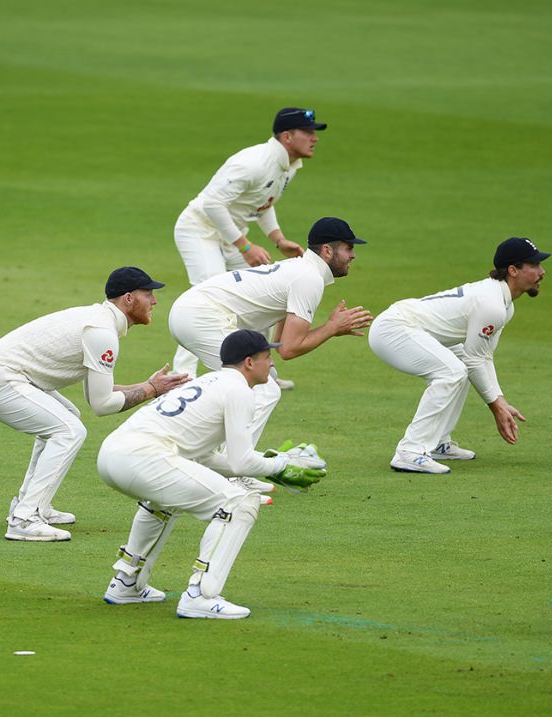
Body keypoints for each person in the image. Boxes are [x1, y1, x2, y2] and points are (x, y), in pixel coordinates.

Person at [97, 329, 324, 619]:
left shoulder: (210, 382)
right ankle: (200, 595)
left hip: (113, 454)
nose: (272, 364)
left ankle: (126, 582)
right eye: (268, 357)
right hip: (143, 457)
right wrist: (281, 466)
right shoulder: (239, 390)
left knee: (166, 499)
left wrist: (272, 462)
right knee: (239, 502)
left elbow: (206, 457)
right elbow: (241, 463)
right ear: (249, 363)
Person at [0, 267, 190, 542]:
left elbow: (100, 393)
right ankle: (23, 519)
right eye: (148, 294)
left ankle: (34, 506)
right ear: (129, 299)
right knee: (69, 430)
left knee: (66, 417)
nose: (154, 301)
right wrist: (150, 390)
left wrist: (149, 387)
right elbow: (102, 405)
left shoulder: (100, 323)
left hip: (0, 375)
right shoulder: (101, 332)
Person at [167, 216, 373, 454]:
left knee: (261, 382)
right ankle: (233, 469)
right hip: (201, 315)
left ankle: (217, 461)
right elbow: (289, 349)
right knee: (263, 388)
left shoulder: (300, 270)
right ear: (327, 250)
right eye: (349, 248)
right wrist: (331, 328)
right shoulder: (309, 279)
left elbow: (282, 342)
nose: (353, 255)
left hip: (193, 311)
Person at [172, 107, 328, 387]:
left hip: (233, 233)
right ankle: (183, 376)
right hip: (200, 230)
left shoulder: (288, 166)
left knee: (264, 294)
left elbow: (263, 203)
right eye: (307, 132)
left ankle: (262, 371)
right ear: (287, 136)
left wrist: (278, 239)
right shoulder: (253, 163)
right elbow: (213, 204)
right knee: (207, 301)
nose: (314, 138)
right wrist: (245, 246)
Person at [367, 237, 551, 474]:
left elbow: (482, 357)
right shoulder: (492, 304)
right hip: (394, 328)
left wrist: (500, 400)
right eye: (534, 266)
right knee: (452, 371)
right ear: (513, 271)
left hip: (413, 329)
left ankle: (438, 442)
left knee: (459, 366)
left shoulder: (504, 305)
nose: (542, 271)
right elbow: (475, 360)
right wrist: (496, 407)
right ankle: (409, 452)